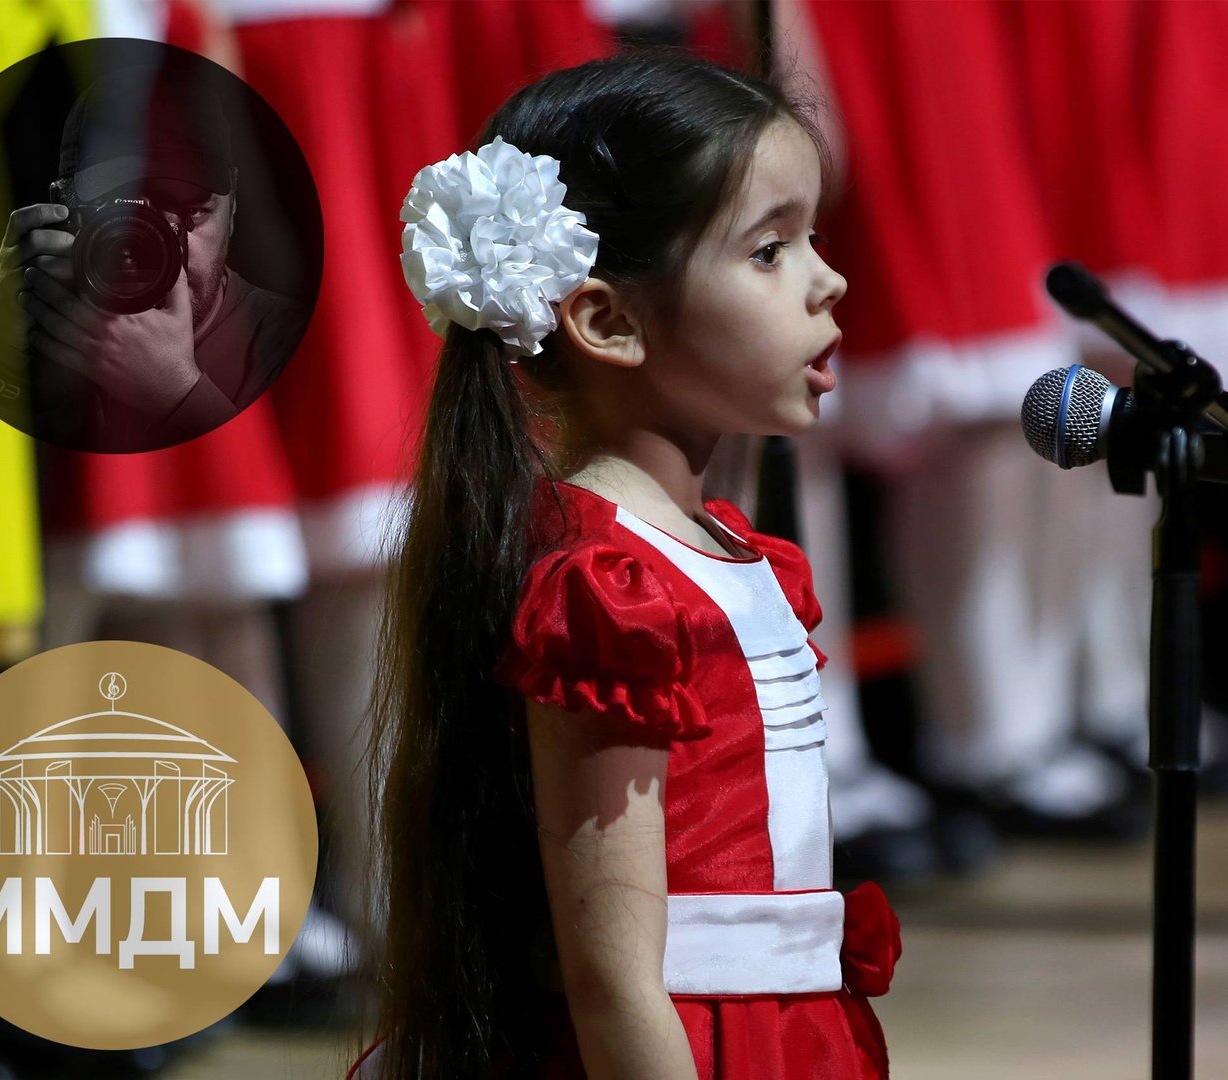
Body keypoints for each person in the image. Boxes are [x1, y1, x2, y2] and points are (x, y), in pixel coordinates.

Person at [354, 50, 901, 1080]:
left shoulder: (733, 555)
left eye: (814, 238)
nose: (828, 280)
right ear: (607, 321)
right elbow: (613, 981)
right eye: (770, 250)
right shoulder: (607, 591)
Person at [0, 64, 308, 452]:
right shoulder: (25, 320)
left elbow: (298, 483)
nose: (149, 242)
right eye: (118, 211)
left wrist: (179, 392)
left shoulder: (289, 342)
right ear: (60, 206)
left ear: (232, 212)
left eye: (190, 212)